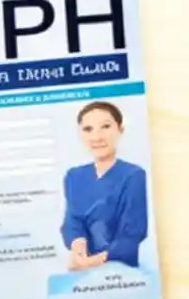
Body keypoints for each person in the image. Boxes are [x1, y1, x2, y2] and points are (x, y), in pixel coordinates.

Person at [59, 101, 149, 271]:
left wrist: (92, 262)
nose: (97, 137)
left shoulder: (133, 175)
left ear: (120, 130)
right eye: (88, 129)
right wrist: (79, 251)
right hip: (82, 271)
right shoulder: (74, 176)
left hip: (121, 271)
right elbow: (72, 222)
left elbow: (133, 233)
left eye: (105, 127)